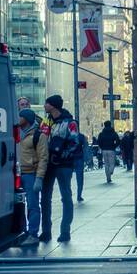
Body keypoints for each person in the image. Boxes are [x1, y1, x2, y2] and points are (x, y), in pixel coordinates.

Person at [40, 95, 79, 243]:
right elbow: (40, 140)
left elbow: (74, 142)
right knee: (45, 198)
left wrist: (62, 155)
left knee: (66, 196)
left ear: (53, 105)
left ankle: (65, 231)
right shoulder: (46, 121)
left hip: (63, 165)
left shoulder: (70, 122)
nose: (44, 106)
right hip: (47, 164)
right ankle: (46, 231)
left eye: (47, 103)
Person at [16, 108, 48, 245]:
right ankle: (23, 232)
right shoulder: (17, 134)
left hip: (31, 174)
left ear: (26, 119)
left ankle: (33, 234)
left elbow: (43, 158)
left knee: (33, 205)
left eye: (20, 116)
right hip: (18, 174)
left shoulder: (38, 136)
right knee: (19, 205)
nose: (18, 119)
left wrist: (39, 178)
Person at [75, 130, 87, 202]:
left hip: (69, 159)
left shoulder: (66, 135)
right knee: (80, 178)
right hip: (79, 158)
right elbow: (85, 147)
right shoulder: (81, 136)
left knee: (66, 179)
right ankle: (79, 195)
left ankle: (66, 195)